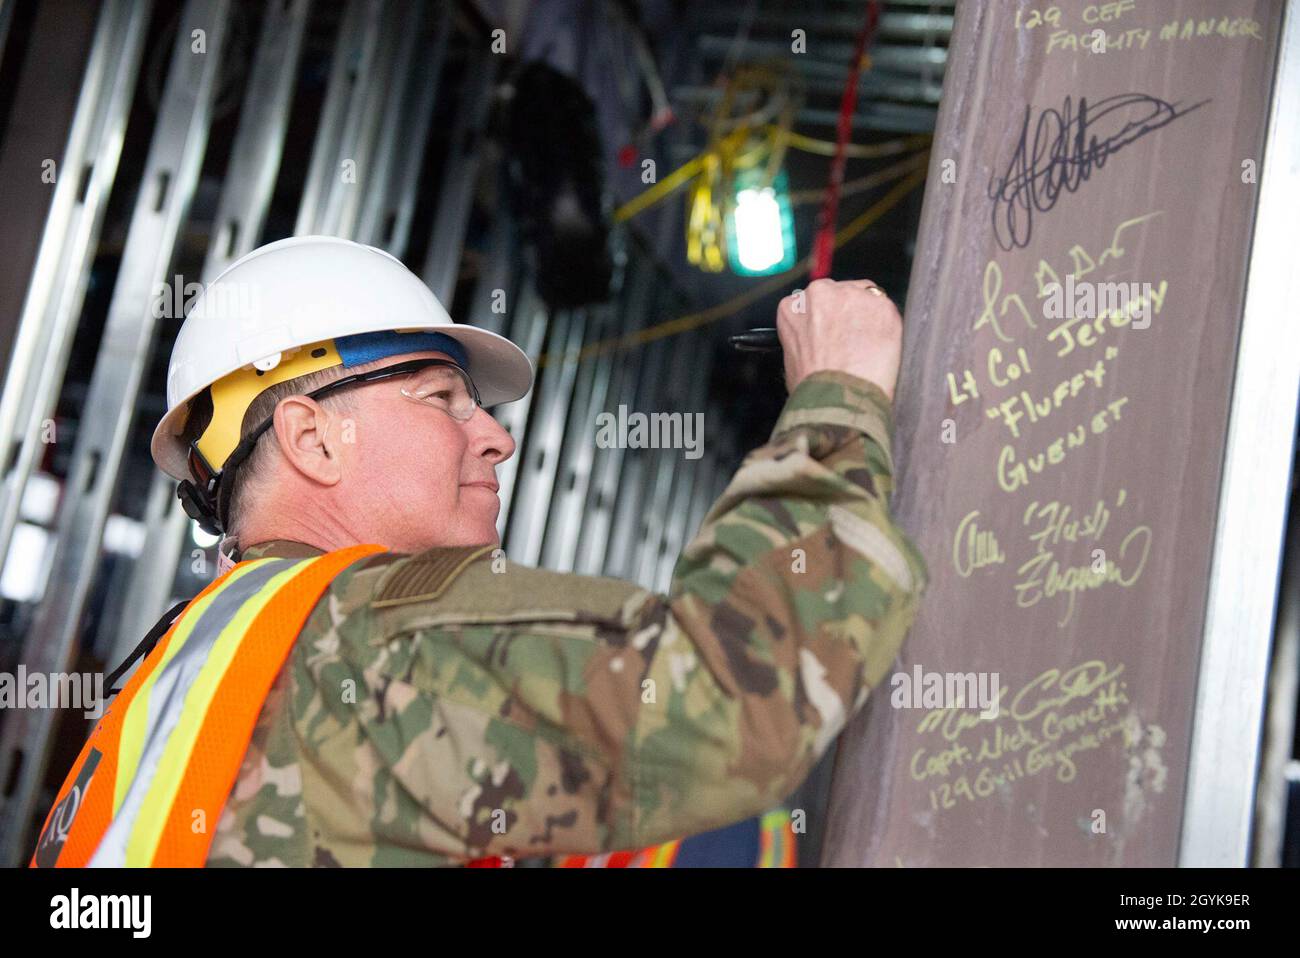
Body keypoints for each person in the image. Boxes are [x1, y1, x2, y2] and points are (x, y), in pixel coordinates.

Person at [31, 235, 927, 868]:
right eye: (441, 400)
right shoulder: (368, 635)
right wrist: (838, 400)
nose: (495, 440)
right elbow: (738, 697)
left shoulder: (175, 679)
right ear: (312, 440)